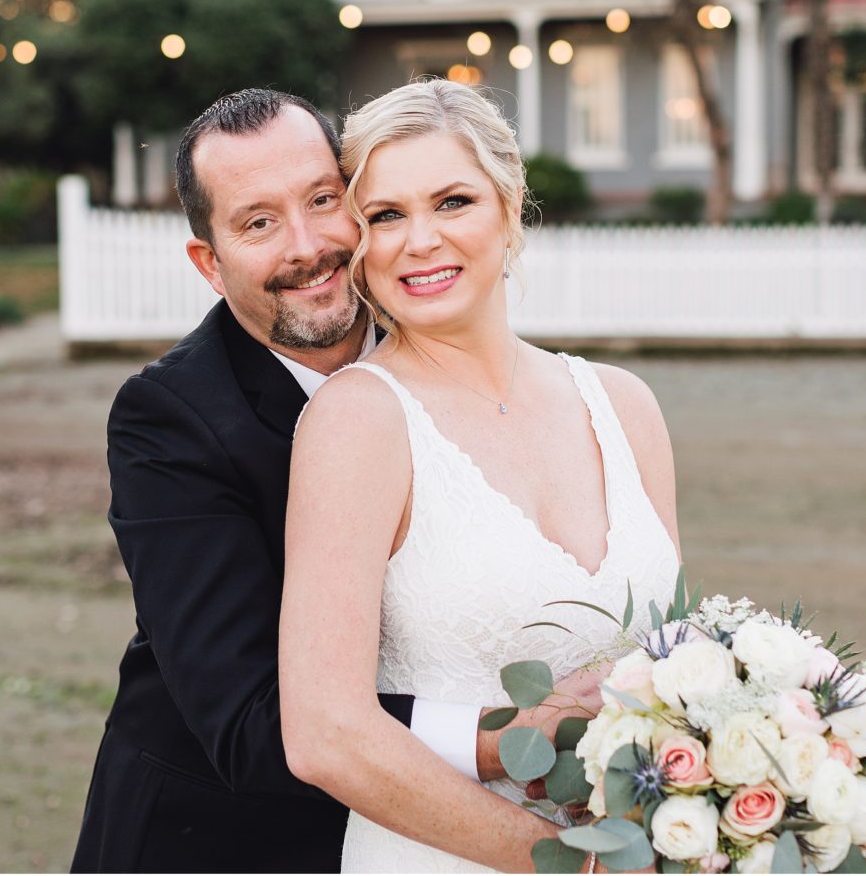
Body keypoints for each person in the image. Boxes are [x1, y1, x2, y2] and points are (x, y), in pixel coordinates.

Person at [71, 89, 605, 873]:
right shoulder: (169, 420)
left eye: (324, 200)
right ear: (210, 264)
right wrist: (509, 738)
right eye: (258, 223)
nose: (308, 246)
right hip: (220, 843)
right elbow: (252, 721)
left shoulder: (449, 358)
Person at [278, 79, 684, 872]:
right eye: (385, 216)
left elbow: (671, 660)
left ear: (510, 206)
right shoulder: (358, 421)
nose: (420, 240)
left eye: (453, 202)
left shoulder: (624, 405)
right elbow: (327, 736)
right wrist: (573, 864)